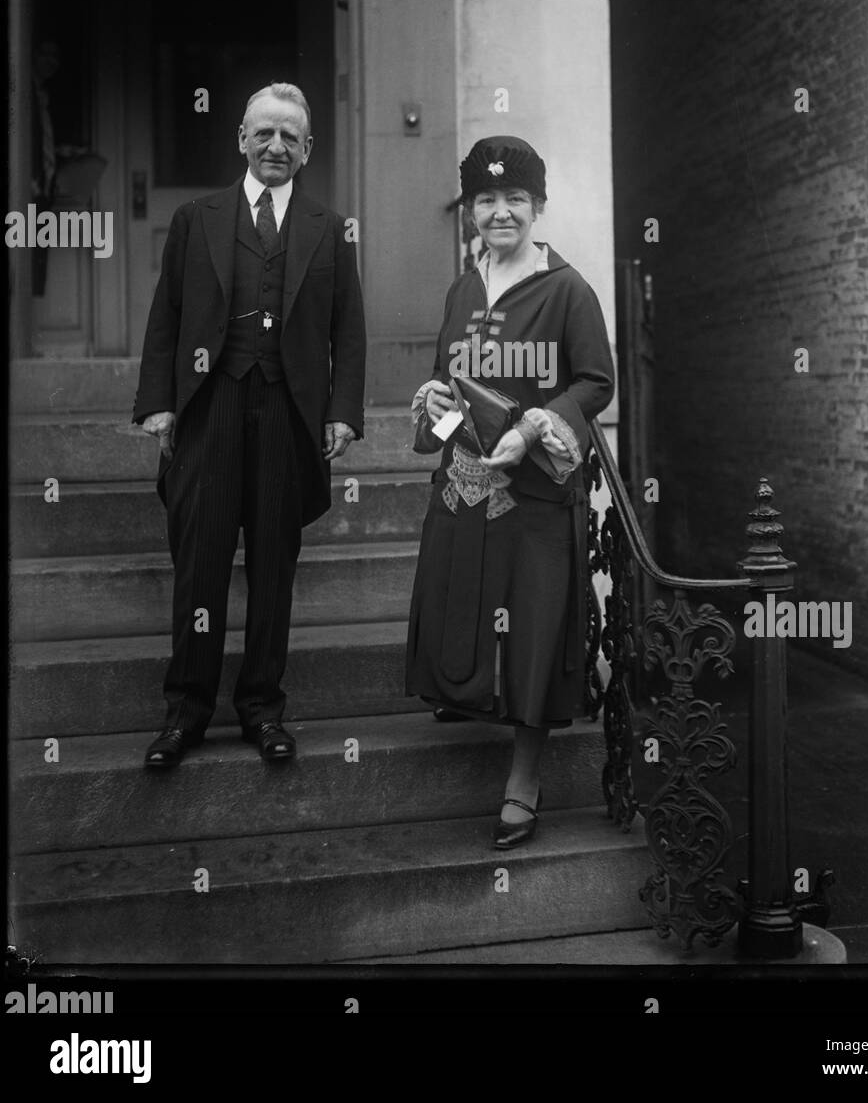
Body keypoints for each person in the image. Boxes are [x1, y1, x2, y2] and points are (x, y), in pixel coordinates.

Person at [133, 82, 366, 768]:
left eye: (290, 137)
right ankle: (187, 711)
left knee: (272, 567)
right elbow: (166, 318)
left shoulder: (329, 229)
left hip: (287, 415)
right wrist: (159, 402)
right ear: (241, 139)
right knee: (200, 564)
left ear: (308, 150)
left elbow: (347, 332)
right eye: (264, 133)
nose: (276, 146)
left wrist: (343, 413)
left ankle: (262, 708)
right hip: (211, 407)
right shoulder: (195, 219)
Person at [406, 135, 614, 848]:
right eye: (485, 200)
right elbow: (449, 372)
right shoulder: (462, 288)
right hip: (467, 484)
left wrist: (534, 427)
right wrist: (435, 400)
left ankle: (523, 779)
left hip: (534, 489)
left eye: (514, 199)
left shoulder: (567, 290)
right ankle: (466, 692)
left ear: (538, 206)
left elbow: (595, 381)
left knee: (531, 627)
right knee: (462, 600)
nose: (500, 212)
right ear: (469, 210)